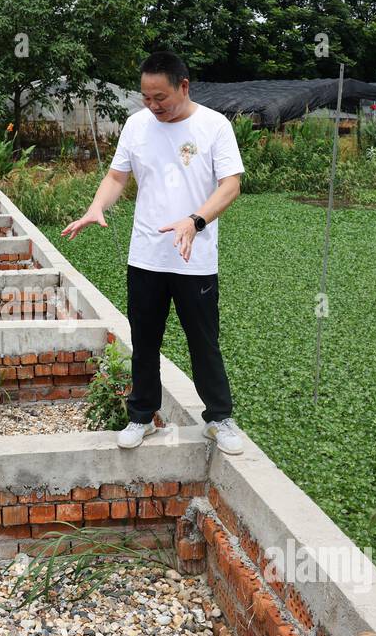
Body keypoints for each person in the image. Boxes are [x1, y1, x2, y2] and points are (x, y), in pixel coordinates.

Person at [62, 50, 244, 455]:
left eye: (160, 97)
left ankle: (218, 418)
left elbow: (230, 185)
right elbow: (116, 176)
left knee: (204, 342)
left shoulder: (214, 126)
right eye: (146, 97)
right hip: (145, 256)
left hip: (194, 259)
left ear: (184, 86)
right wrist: (97, 206)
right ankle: (141, 416)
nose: (152, 105)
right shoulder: (136, 125)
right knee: (144, 341)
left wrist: (193, 222)